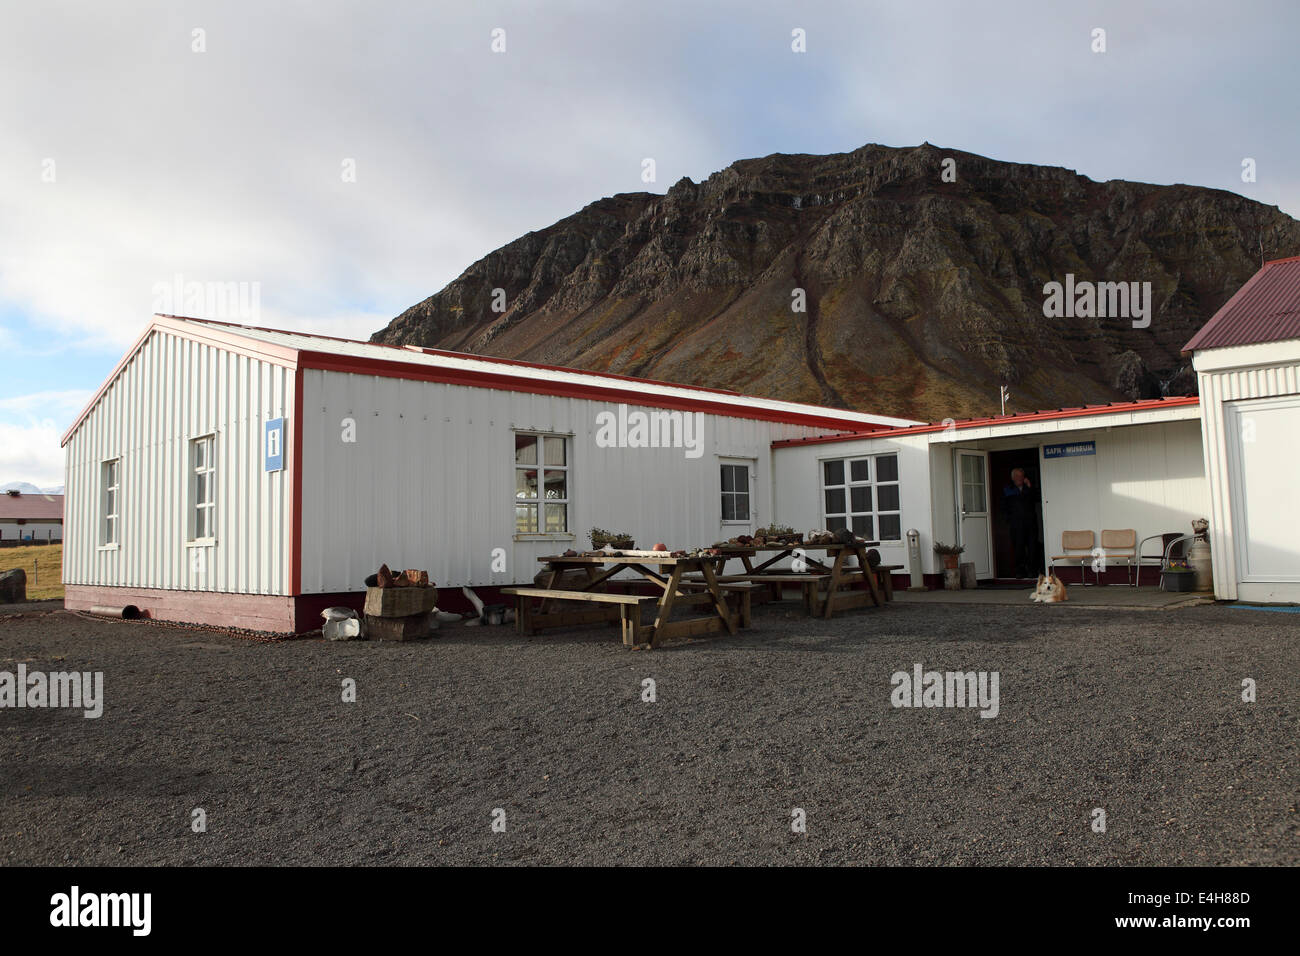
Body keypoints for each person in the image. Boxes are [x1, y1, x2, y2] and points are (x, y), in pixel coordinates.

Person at [1002, 467, 1039, 579]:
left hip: (1030, 523)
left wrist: (1030, 487)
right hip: (1016, 524)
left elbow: (1037, 498)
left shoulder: (1029, 489)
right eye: (1017, 476)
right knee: (1018, 548)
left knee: (1032, 547)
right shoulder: (1008, 489)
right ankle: (1020, 571)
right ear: (1013, 478)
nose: (1020, 478)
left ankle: (1033, 571)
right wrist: (1009, 519)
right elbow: (1004, 507)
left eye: (1022, 476)